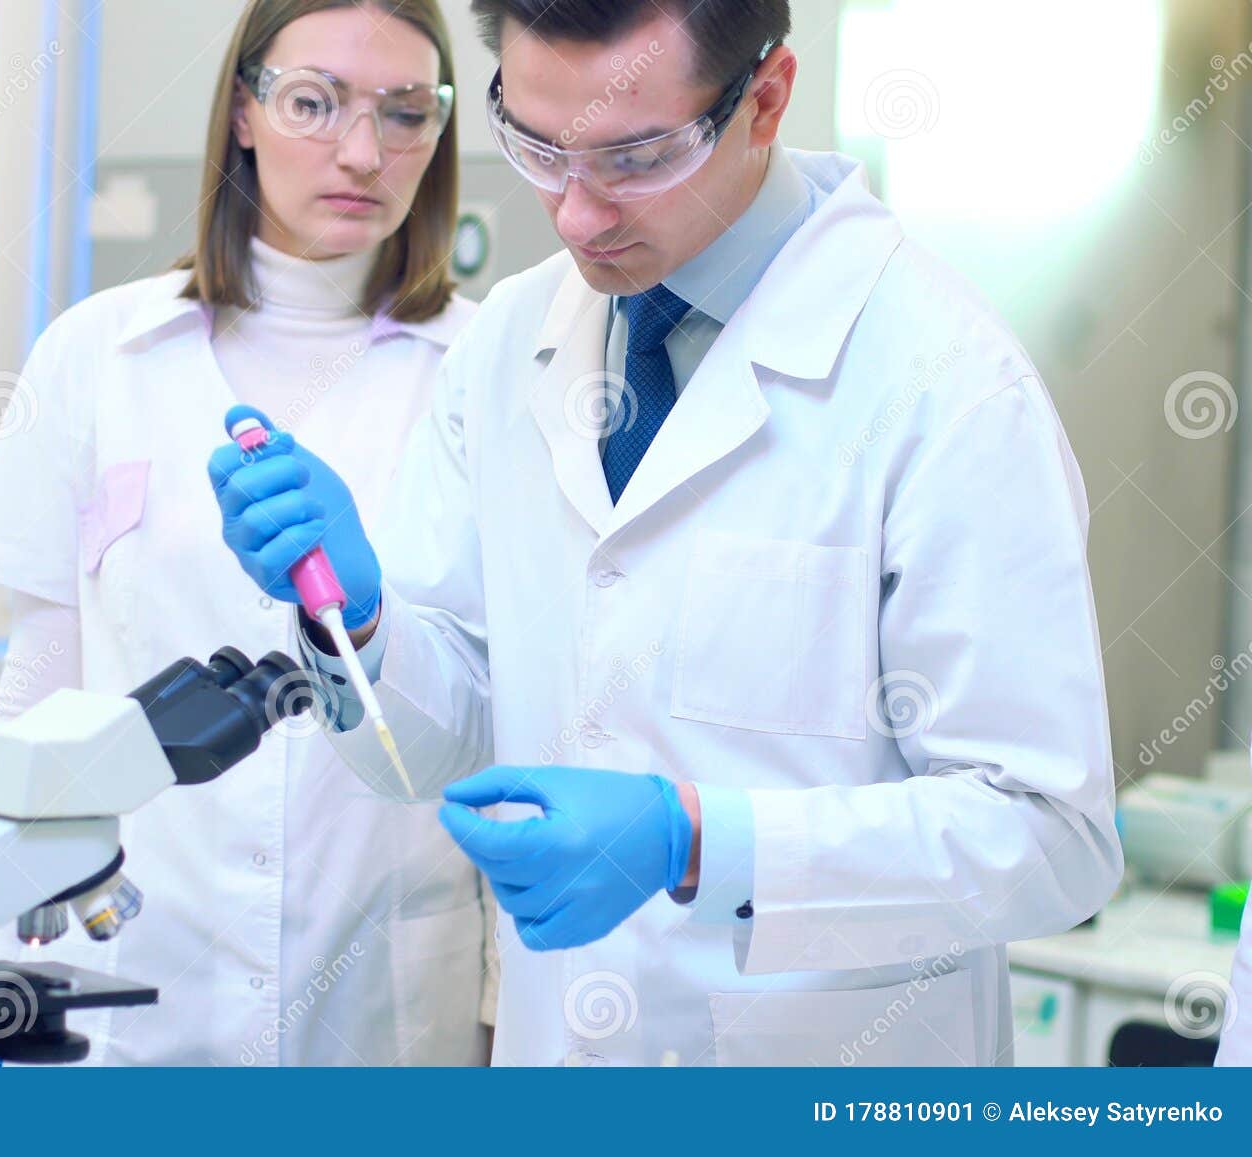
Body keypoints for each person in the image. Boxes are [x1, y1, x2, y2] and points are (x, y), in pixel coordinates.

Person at [210, 0, 1123, 1066]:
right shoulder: (512, 338)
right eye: (538, 148)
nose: (575, 215)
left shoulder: (945, 381)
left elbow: (1048, 834)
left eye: (636, 157)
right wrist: (358, 628)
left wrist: (697, 841)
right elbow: (437, 743)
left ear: (765, 98)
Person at [0, 0, 486, 1066]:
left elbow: (502, 701)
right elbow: (39, 686)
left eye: (404, 112)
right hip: (141, 961)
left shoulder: (485, 375)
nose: (360, 150)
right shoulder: (97, 355)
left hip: (381, 985)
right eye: (312, 103)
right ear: (242, 110)